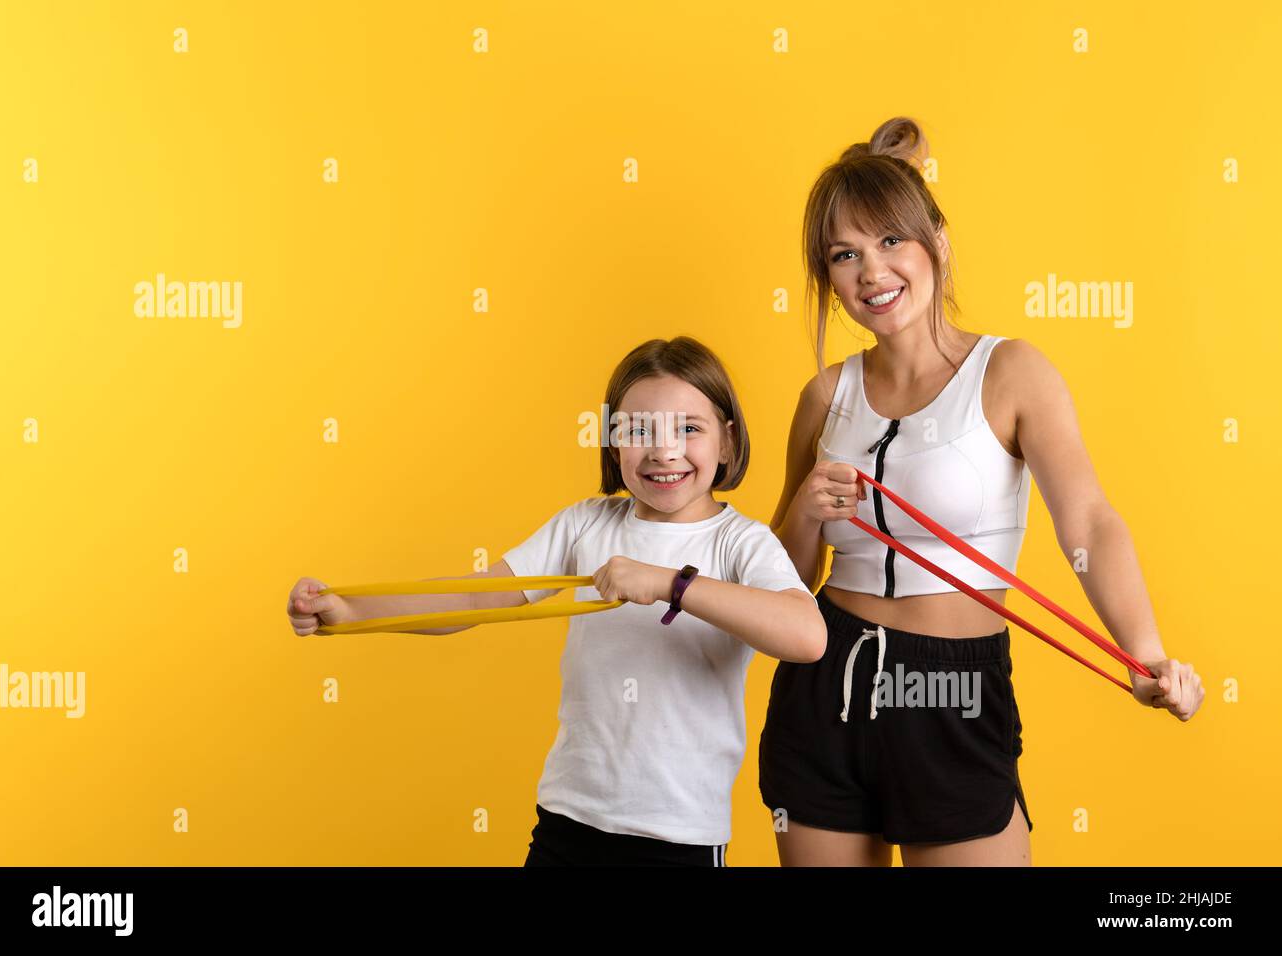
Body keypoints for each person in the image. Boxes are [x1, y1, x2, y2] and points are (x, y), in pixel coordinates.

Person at [758, 116, 1205, 867]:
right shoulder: (823, 397)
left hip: (953, 690)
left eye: (891, 241)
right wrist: (804, 512)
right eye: (846, 255)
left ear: (936, 238)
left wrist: (1146, 651)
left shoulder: (1013, 372)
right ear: (828, 279)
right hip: (824, 687)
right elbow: (783, 584)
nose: (872, 271)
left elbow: (1089, 523)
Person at [288, 336, 826, 865]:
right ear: (614, 442)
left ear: (728, 441)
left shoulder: (740, 542)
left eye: (689, 428)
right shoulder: (583, 525)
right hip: (568, 821)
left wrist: (671, 585)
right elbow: (472, 600)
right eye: (640, 430)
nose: (665, 450)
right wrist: (349, 612)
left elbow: (806, 636)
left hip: (679, 837)